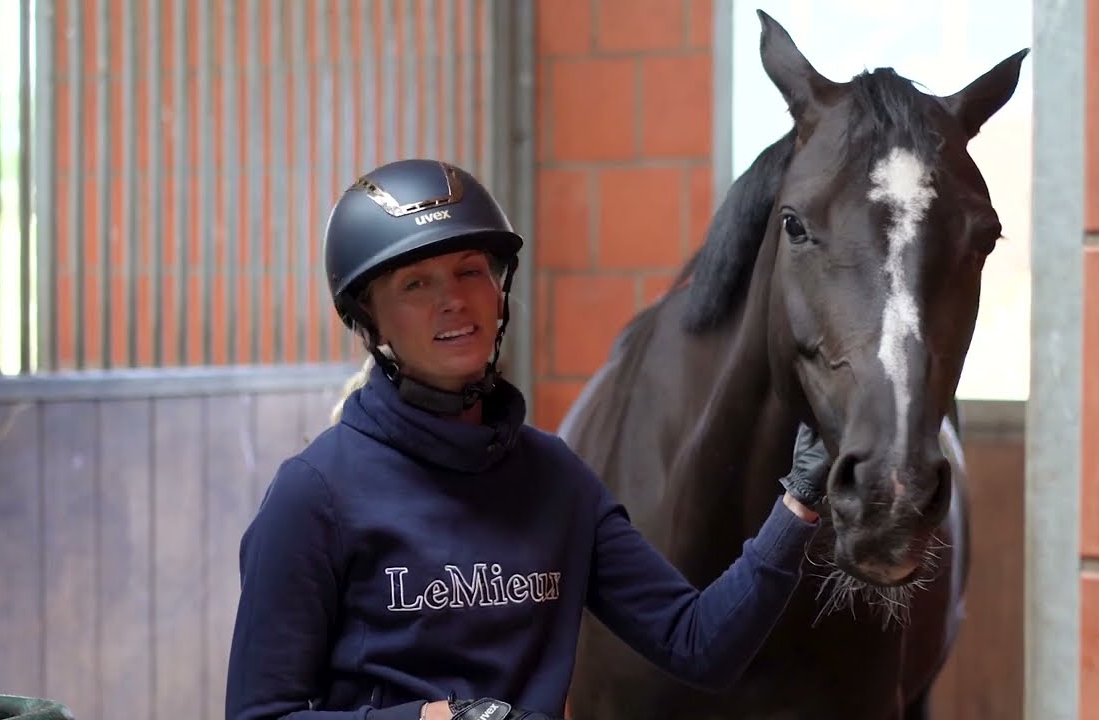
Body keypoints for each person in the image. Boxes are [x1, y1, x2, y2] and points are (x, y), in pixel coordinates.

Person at [224, 159, 832, 720]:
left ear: (499, 292)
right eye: (416, 284)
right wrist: (437, 718)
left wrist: (798, 503)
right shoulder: (315, 495)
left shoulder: (555, 479)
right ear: (369, 320)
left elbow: (699, 644)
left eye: (469, 272)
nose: (454, 300)